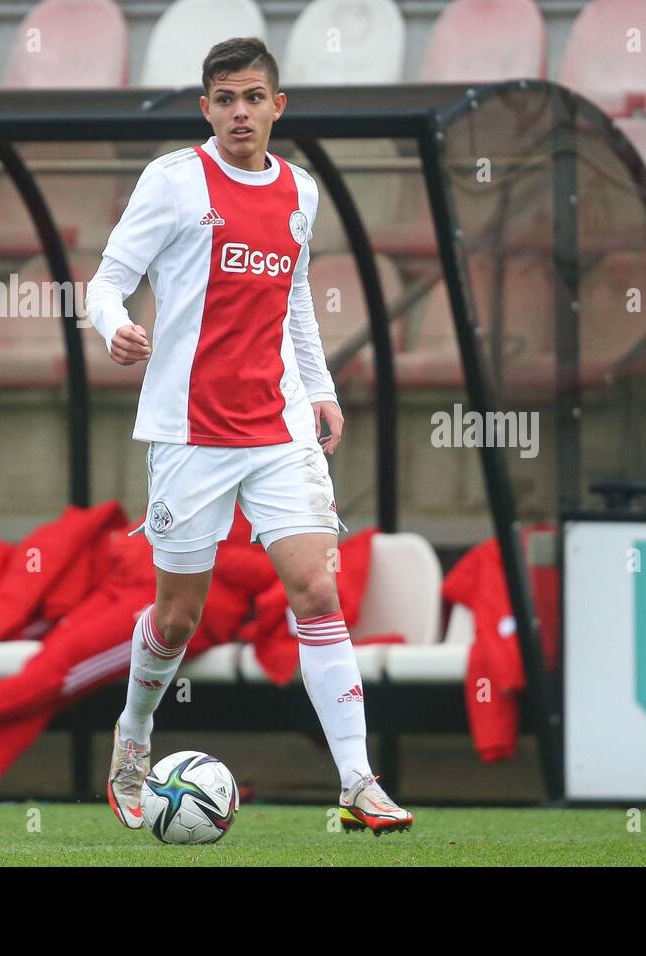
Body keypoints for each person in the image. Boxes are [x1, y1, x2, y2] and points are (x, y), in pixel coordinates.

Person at [85, 37, 411, 835]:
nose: (240, 112)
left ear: (277, 106)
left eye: (253, 97)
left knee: (316, 589)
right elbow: (106, 279)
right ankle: (134, 735)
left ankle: (359, 783)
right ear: (207, 109)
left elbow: (295, 299)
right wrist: (116, 327)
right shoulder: (173, 180)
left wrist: (322, 390)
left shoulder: (301, 192)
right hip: (190, 433)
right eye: (225, 98)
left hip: (277, 427)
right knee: (178, 617)